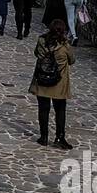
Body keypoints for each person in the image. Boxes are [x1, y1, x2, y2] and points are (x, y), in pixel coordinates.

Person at [29, 18, 75, 149]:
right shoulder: (65, 45)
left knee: (43, 109)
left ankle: (44, 137)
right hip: (59, 83)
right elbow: (72, 60)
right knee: (60, 110)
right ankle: (60, 137)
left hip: (42, 79)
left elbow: (36, 53)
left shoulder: (42, 41)